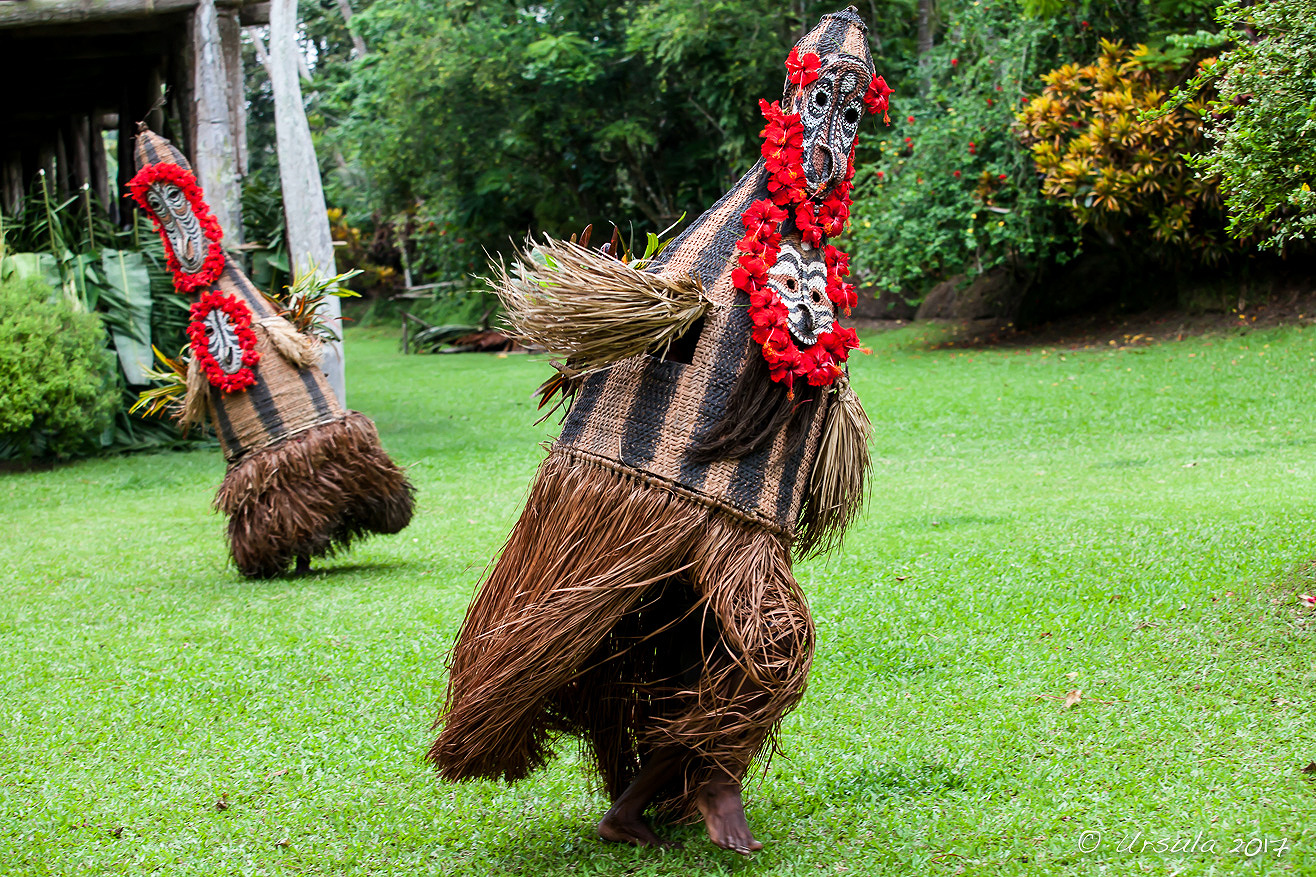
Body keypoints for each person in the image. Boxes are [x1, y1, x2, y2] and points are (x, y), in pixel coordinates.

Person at [430, 8, 888, 853]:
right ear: (788, 106)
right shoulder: (722, 242)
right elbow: (651, 324)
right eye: (818, 105)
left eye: (850, 115)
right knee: (729, 644)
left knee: (752, 650)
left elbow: (811, 371)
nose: (831, 133)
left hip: (740, 507)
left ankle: (666, 793)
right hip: (646, 488)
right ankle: (701, 789)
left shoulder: (813, 258)